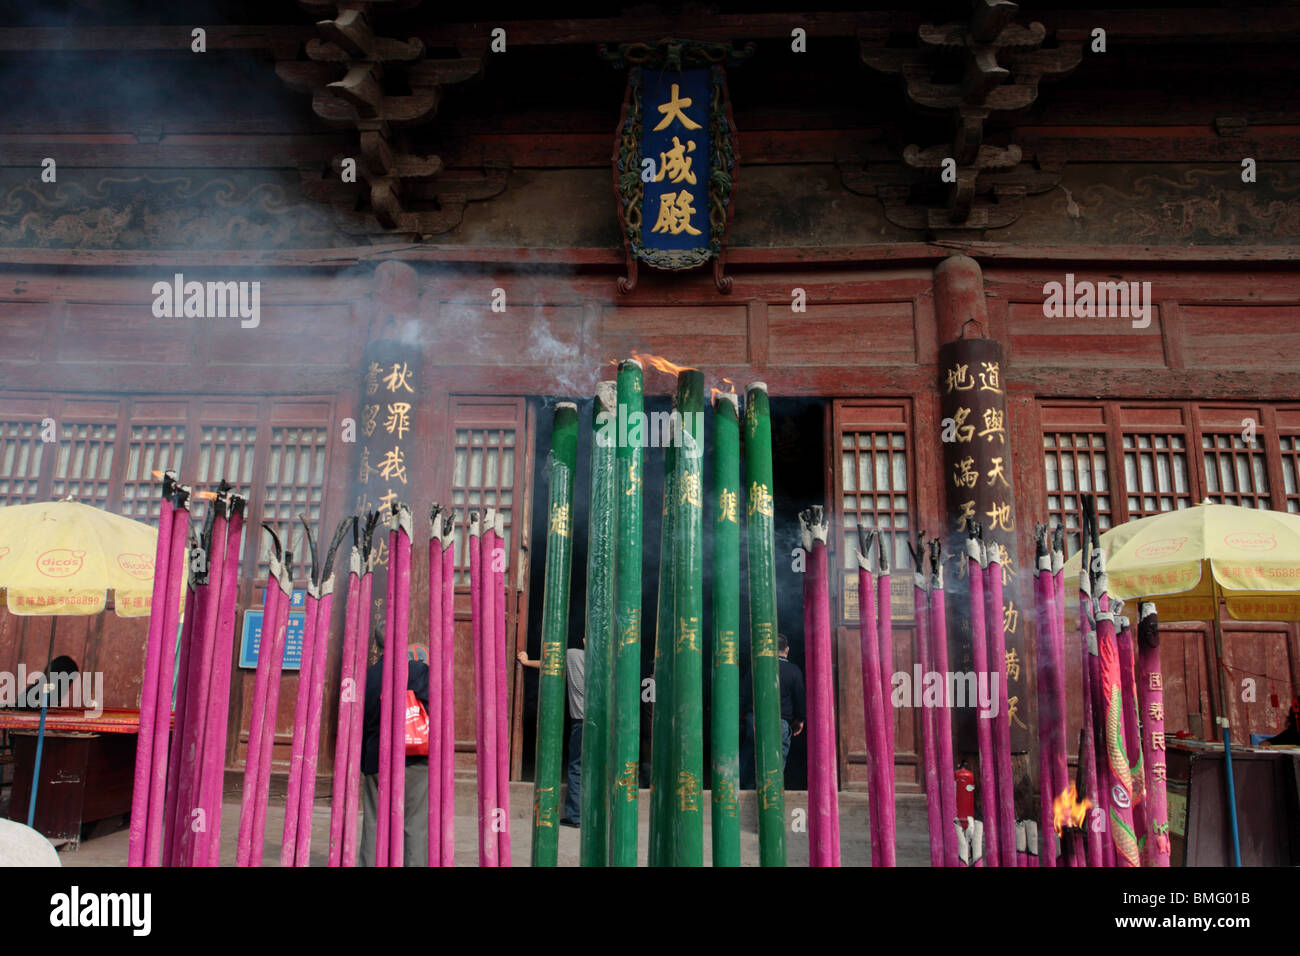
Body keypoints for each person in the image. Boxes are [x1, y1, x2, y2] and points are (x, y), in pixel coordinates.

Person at [358, 624, 430, 866]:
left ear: (377, 646)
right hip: (415, 758)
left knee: (373, 823)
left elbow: (361, 721)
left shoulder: (367, 677)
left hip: (376, 759)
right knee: (415, 823)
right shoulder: (418, 671)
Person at [518, 635, 584, 827]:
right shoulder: (610, 659)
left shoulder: (573, 656)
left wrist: (526, 661)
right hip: (605, 723)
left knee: (577, 768)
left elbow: (550, 663)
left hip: (581, 722)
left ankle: (576, 816)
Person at [739, 633, 805, 789]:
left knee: (751, 753)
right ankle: (771, 791)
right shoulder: (793, 671)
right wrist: (800, 719)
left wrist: (742, 713)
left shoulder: (757, 667)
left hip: (754, 718)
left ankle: (746, 790)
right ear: (787, 650)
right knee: (776, 757)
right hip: (780, 721)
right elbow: (799, 697)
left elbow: (744, 692)